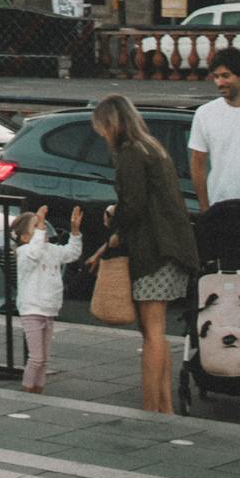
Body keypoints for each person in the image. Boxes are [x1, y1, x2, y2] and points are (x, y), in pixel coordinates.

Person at [87, 95, 199, 413]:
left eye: (101, 128)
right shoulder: (152, 147)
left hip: (155, 249)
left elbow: (133, 205)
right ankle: (163, 405)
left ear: (111, 123)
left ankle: (153, 405)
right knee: (157, 330)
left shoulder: (131, 153)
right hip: (172, 247)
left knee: (150, 332)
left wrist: (113, 224)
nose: (101, 135)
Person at [12, 204, 83, 394]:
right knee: (35, 358)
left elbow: (71, 253)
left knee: (43, 359)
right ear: (25, 238)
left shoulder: (50, 250)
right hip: (32, 310)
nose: (42, 229)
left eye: (42, 226)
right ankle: (27, 390)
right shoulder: (25, 253)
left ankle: (38, 389)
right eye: (36, 227)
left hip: (48, 309)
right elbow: (35, 252)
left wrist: (75, 232)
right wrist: (41, 226)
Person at [188, 46, 240, 212]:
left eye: (226, 76)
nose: (220, 82)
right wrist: (204, 206)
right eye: (216, 77)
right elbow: (198, 162)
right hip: (219, 209)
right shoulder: (204, 114)